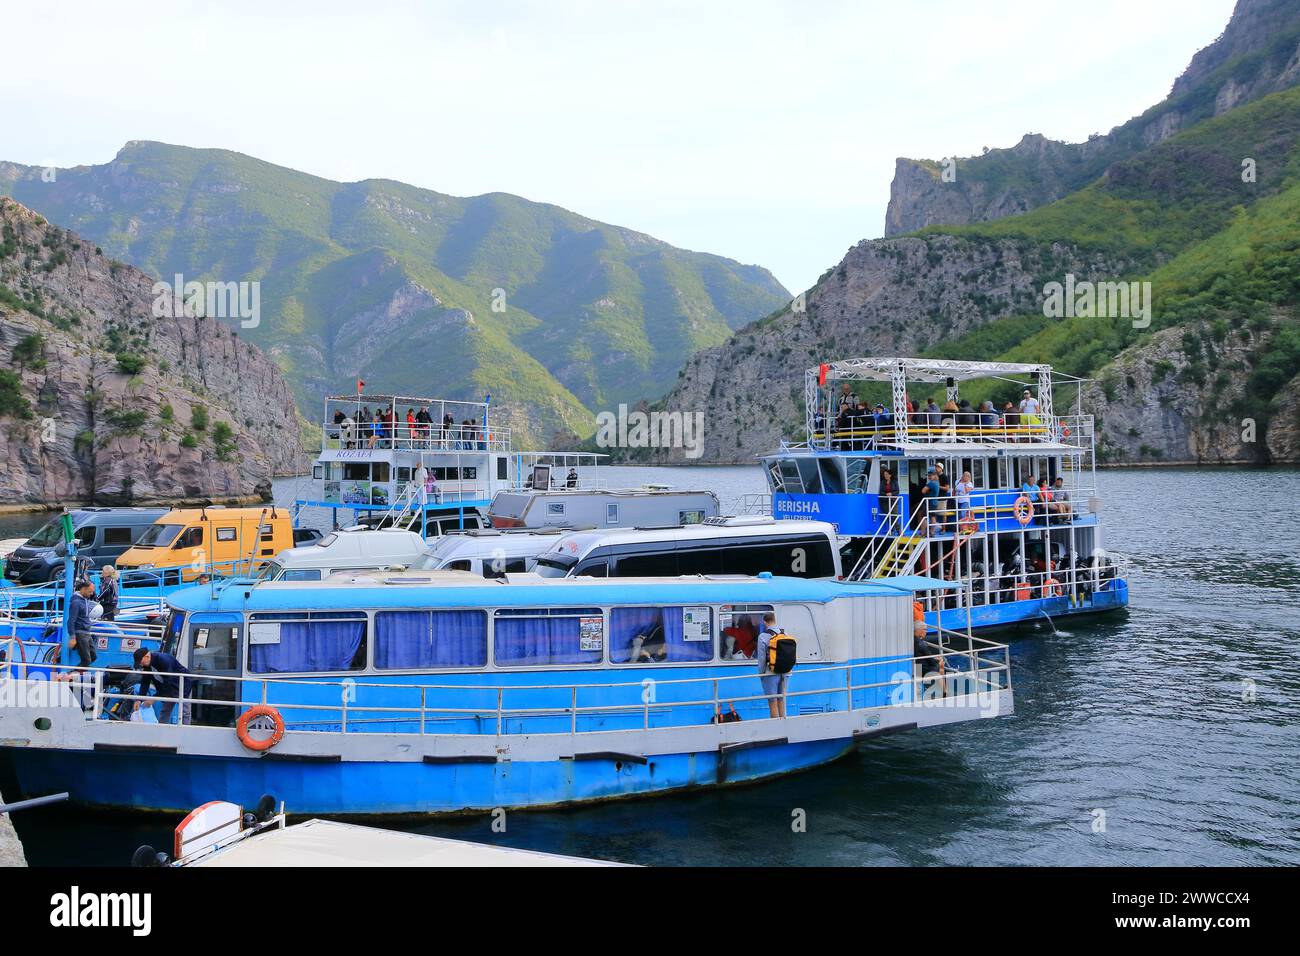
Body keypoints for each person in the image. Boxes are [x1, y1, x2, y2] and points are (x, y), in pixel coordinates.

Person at [133, 647, 193, 725]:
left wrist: (154, 698)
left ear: (147, 656)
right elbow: (145, 682)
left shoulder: (163, 660)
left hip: (183, 684)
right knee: (165, 710)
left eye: (141, 662)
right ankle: (162, 730)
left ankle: (186, 731)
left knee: (185, 711)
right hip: (168, 688)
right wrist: (139, 699)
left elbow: (169, 680)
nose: (141, 665)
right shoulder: (147, 665)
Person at [755, 611, 788, 718]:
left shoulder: (763, 636)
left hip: (771, 672)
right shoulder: (784, 634)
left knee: (772, 701)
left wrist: (761, 674)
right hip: (785, 671)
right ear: (774, 620)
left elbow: (761, 658)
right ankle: (784, 722)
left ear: (765, 622)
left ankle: (775, 725)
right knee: (781, 699)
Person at [66, 578, 98, 668]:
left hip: (87, 632)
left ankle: (76, 674)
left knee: (93, 657)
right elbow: (71, 621)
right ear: (83, 589)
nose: (91, 594)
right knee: (86, 660)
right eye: (90, 592)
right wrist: (72, 637)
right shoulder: (76, 602)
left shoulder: (85, 599)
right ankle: (72, 677)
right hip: (80, 633)